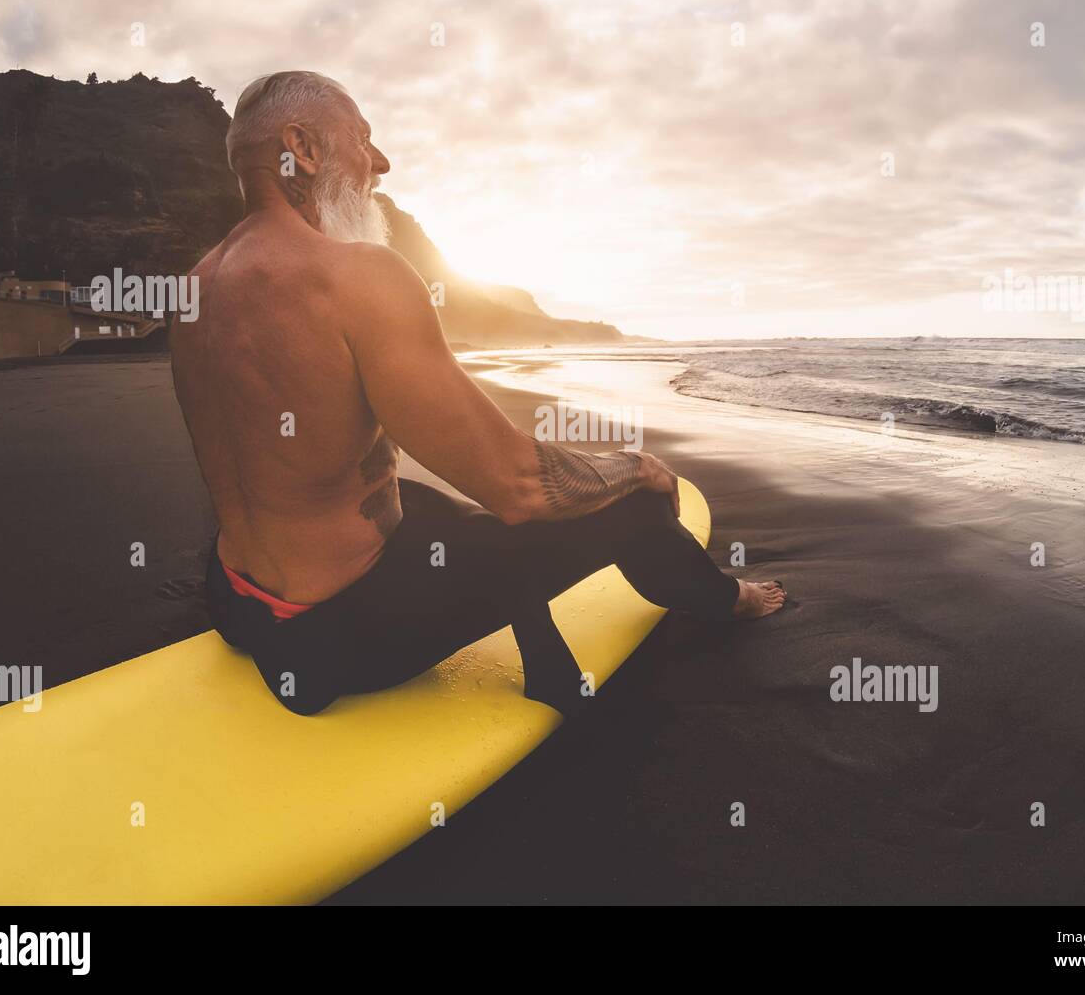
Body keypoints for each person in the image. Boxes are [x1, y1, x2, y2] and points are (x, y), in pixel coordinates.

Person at [170, 71, 785, 717]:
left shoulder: (193, 291)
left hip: (235, 603)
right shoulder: (357, 279)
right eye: (364, 139)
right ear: (304, 149)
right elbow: (517, 484)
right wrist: (635, 468)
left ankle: (543, 652)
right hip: (338, 641)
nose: (380, 162)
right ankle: (724, 600)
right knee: (628, 506)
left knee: (426, 502)